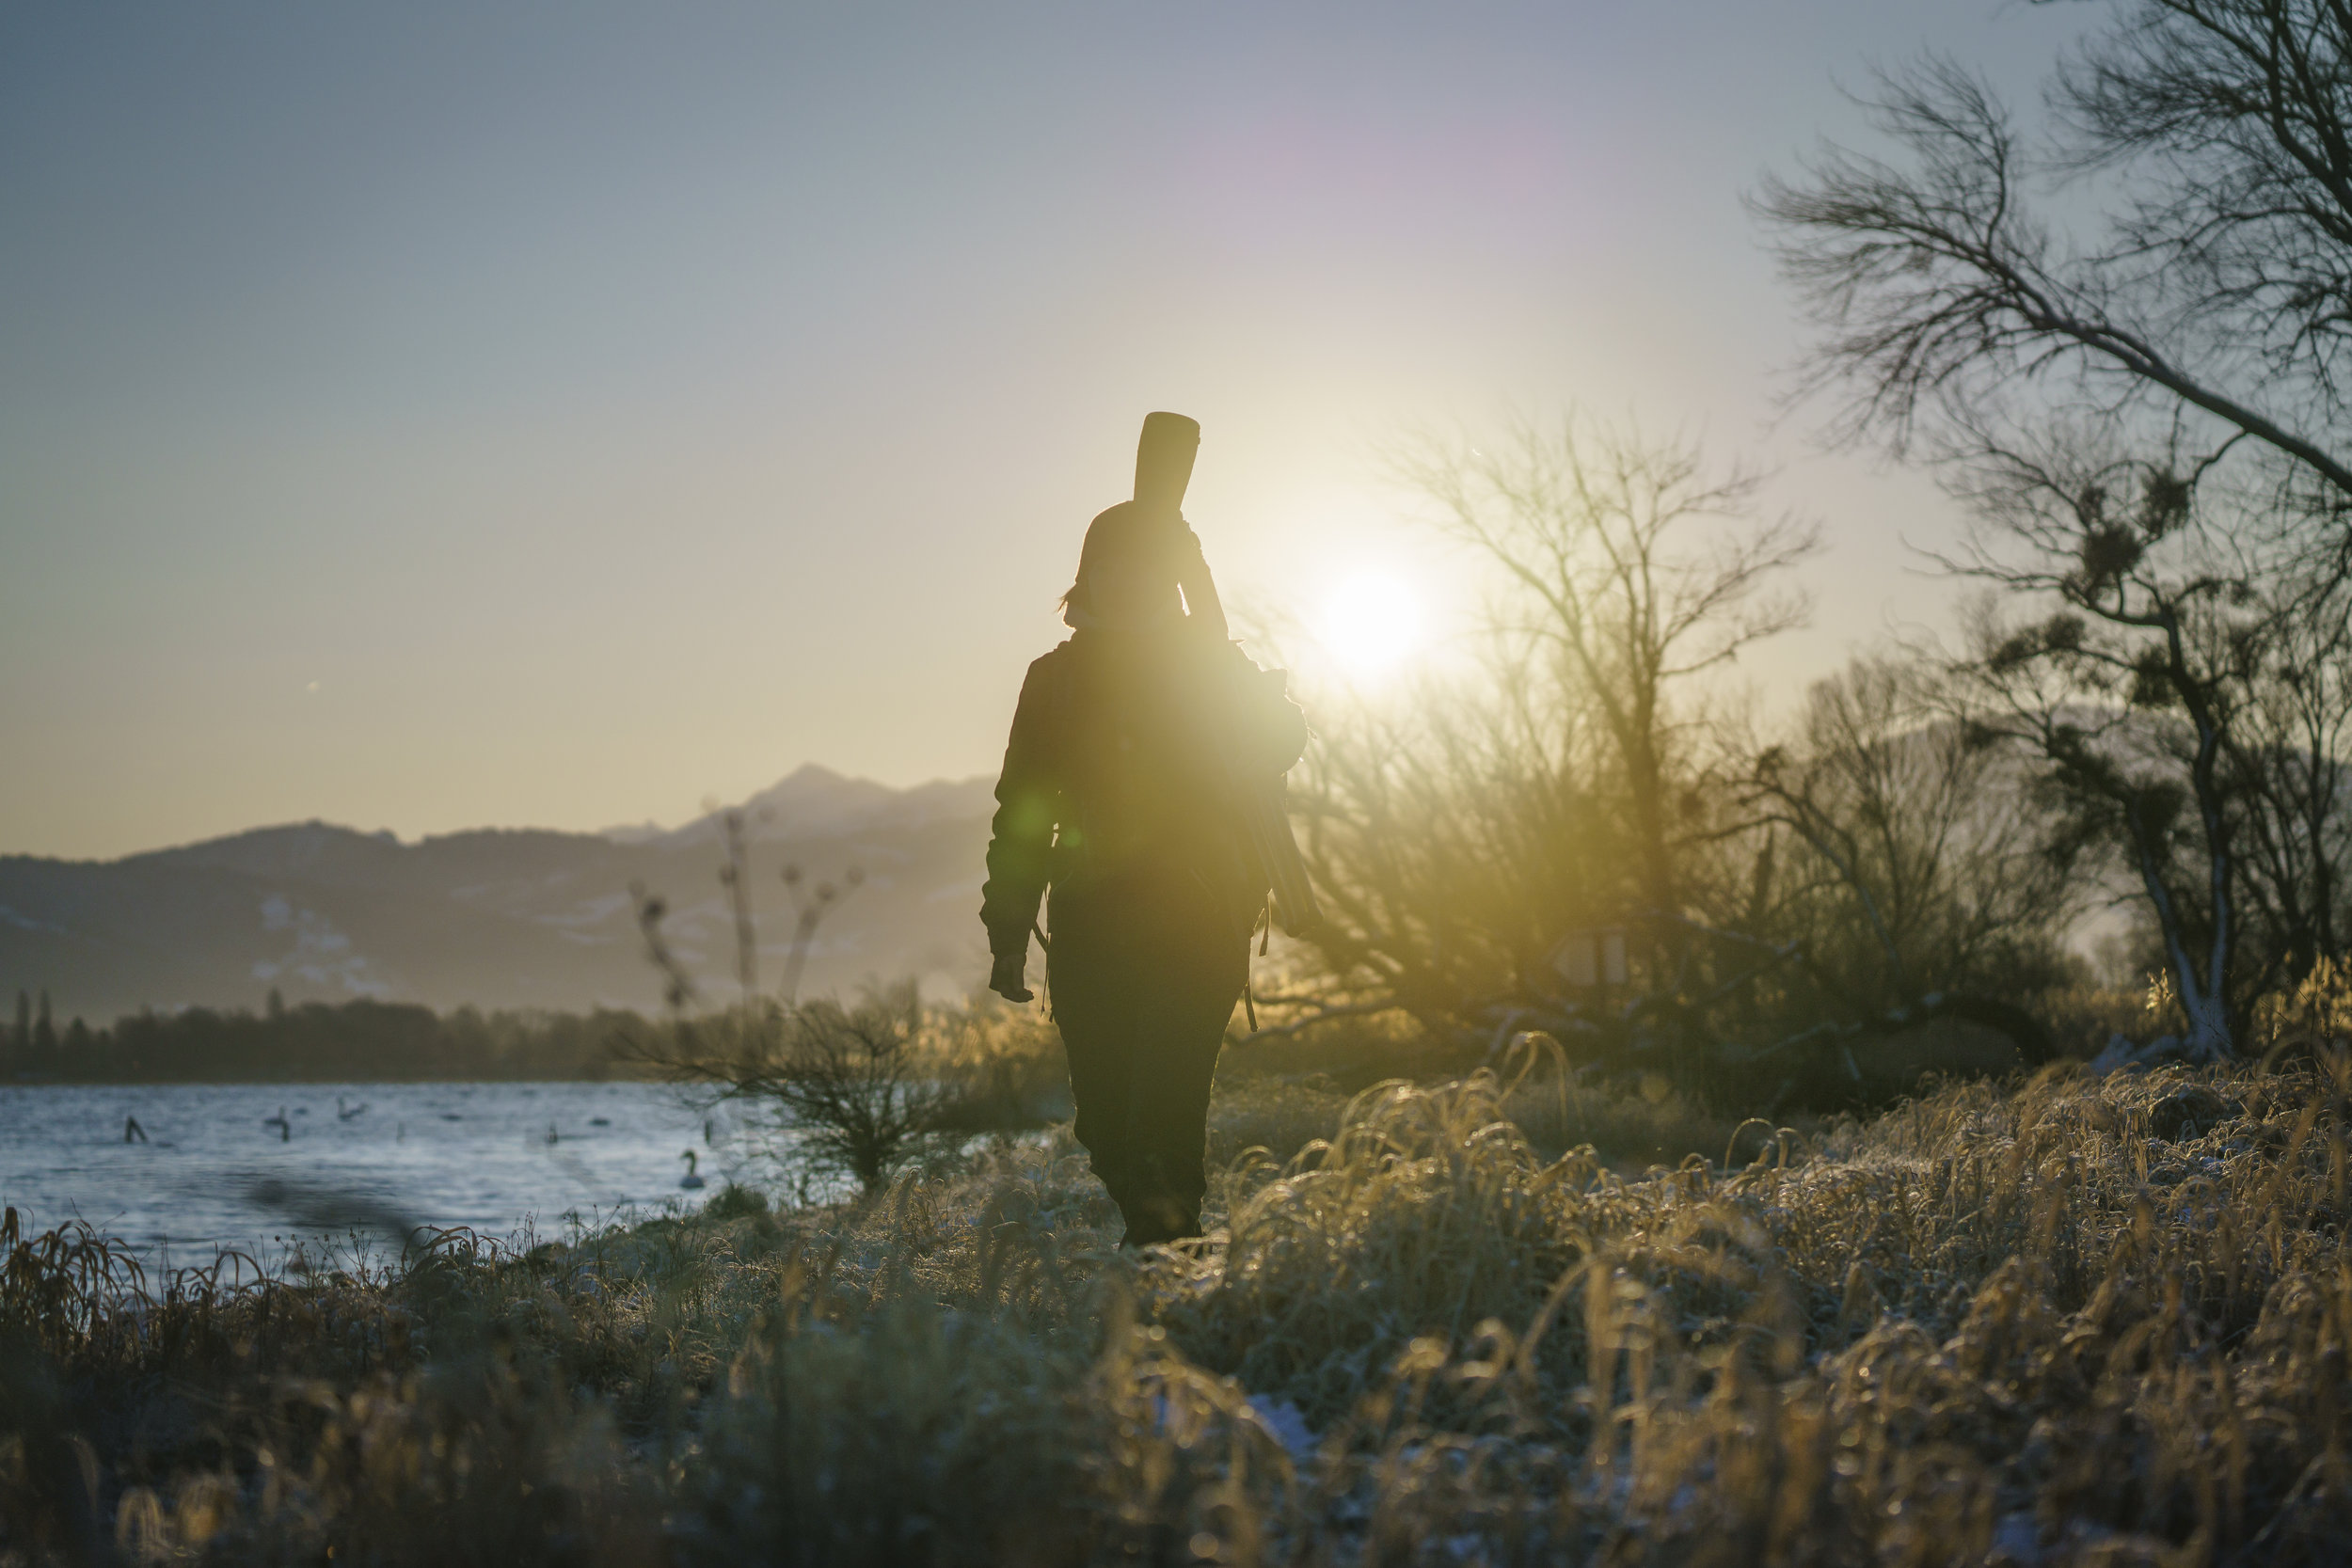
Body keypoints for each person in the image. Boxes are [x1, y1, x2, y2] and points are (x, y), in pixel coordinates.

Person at [981, 499, 1307, 1247]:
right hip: (1092, 918)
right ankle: (1163, 1239)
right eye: (1110, 567)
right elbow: (1023, 812)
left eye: (1144, 568)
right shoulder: (1053, 680)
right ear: (1088, 578)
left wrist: (1252, 693)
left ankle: (1170, 1259)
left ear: (1166, 580)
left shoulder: (1205, 659)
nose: (1126, 581)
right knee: (1103, 1118)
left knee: (1163, 1101)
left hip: (1201, 910)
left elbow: (1282, 742)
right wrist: (1007, 928)